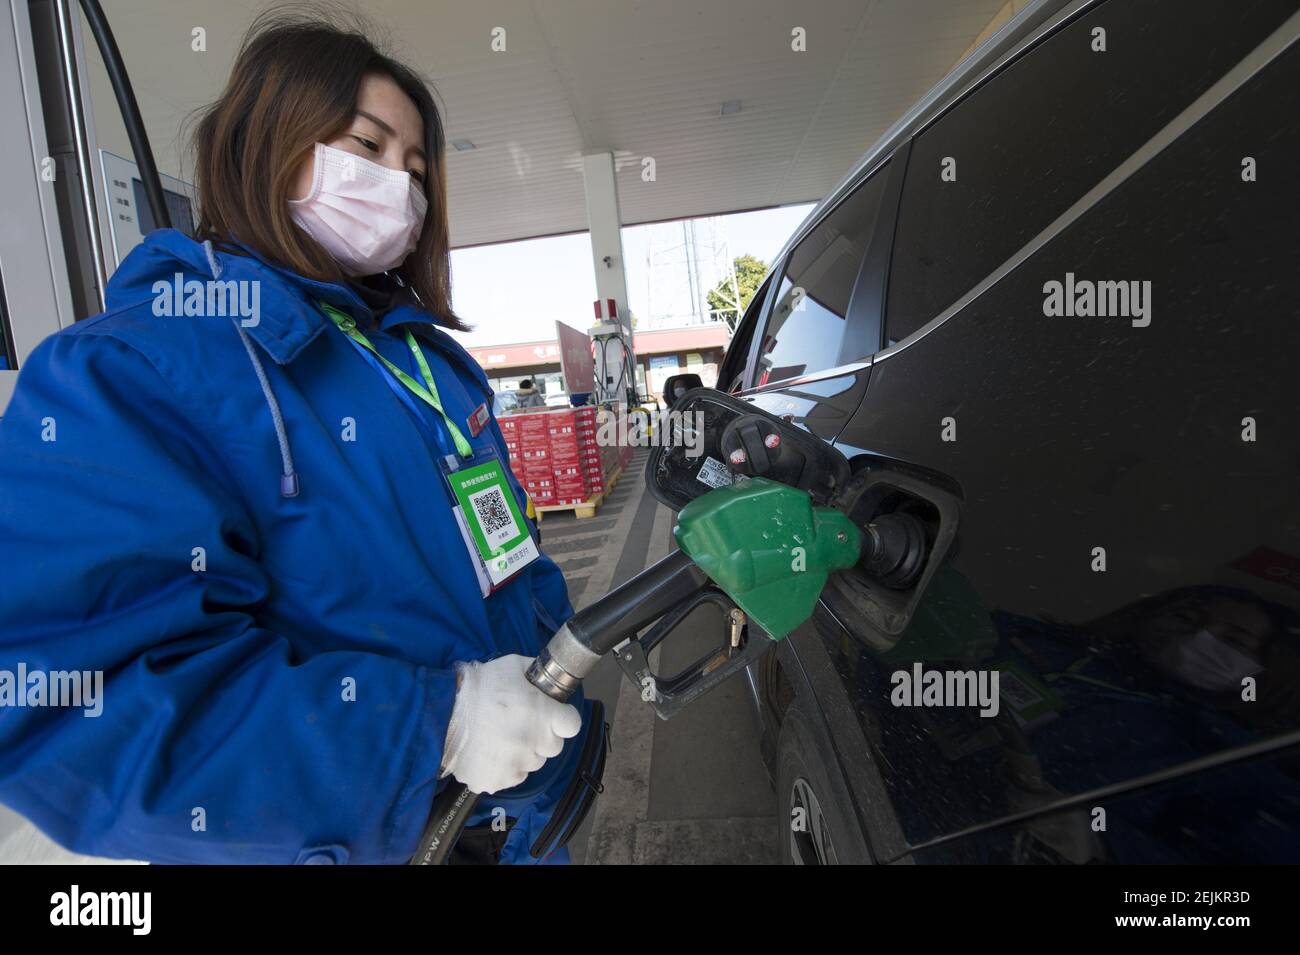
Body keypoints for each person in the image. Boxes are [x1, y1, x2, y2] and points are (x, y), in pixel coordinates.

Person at [0, 12, 604, 865]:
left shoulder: (432, 365)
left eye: (417, 169)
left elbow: (507, 558)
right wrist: (436, 725)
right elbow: (77, 711)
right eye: (368, 146)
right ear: (267, 141)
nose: (399, 186)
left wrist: (566, 675)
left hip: (519, 827)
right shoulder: (131, 371)